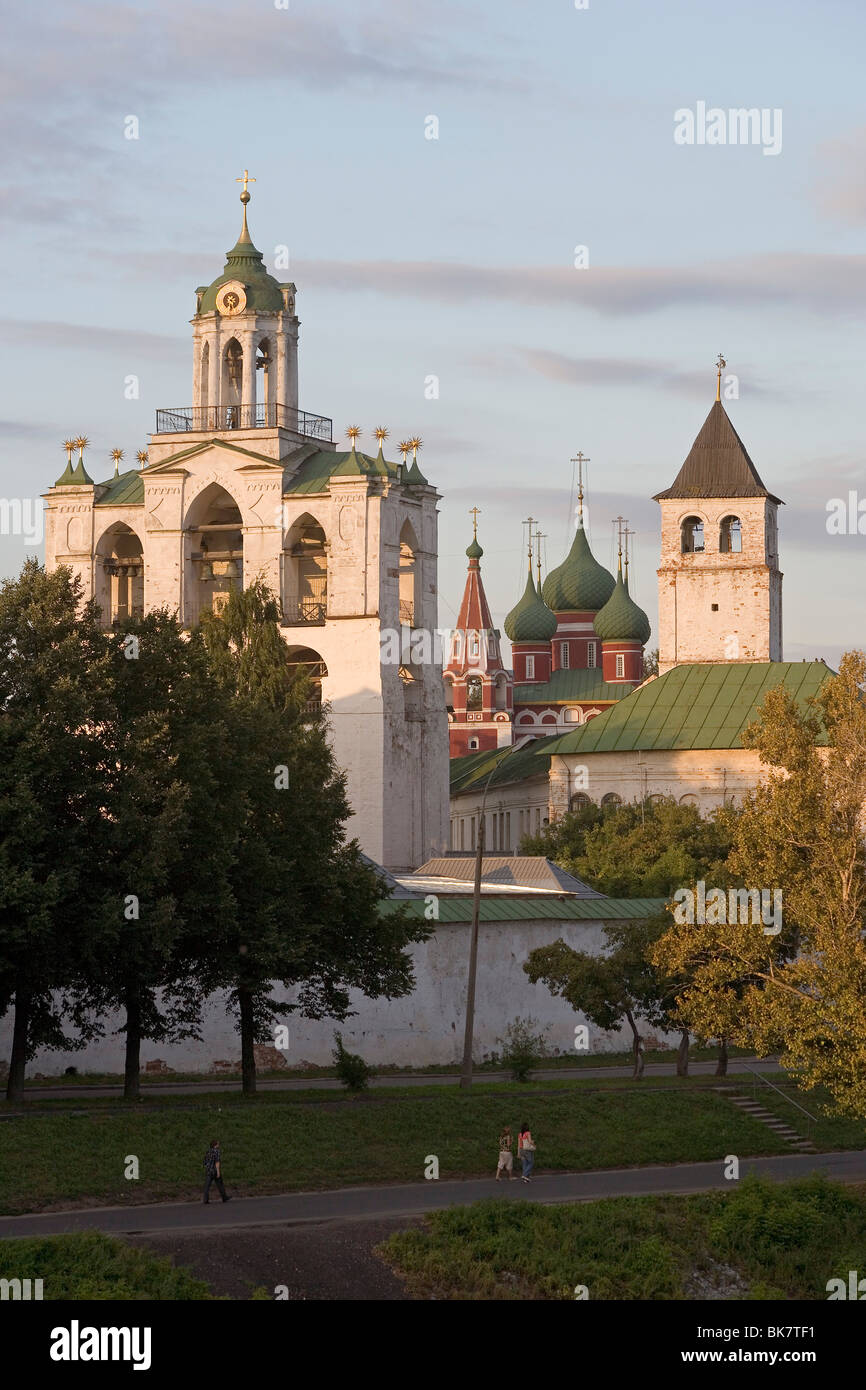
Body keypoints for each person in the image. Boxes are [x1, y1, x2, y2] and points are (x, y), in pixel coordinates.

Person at [203, 1138, 231, 1204]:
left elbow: (205, 1162)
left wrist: (207, 1168)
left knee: (207, 1186)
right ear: (215, 1145)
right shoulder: (217, 1151)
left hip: (208, 1171)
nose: (219, 1145)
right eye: (218, 1144)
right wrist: (218, 1171)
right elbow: (217, 1162)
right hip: (215, 1171)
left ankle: (205, 1199)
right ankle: (224, 1197)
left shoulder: (208, 1151)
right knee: (220, 1184)